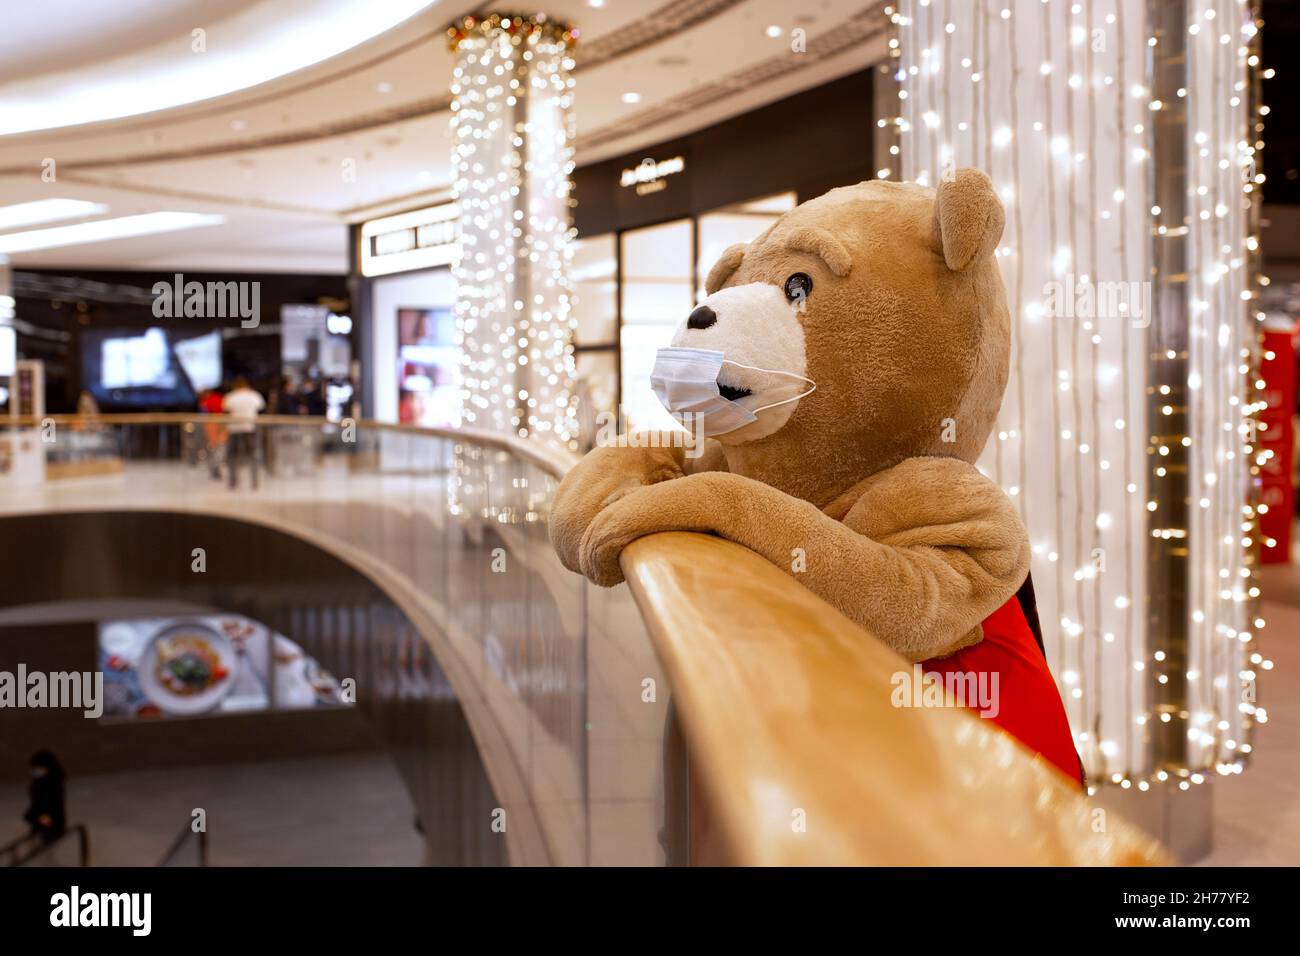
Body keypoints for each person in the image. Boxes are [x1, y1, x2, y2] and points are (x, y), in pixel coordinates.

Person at [222, 377, 265, 489]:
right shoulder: (254, 395)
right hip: (249, 427)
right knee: (253, 454)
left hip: (234, 428)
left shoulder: (231, 396)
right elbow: (261, 407)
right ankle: (254, 482)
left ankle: (233, 481)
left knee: (232, 456)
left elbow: (225, 409)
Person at [23, 750, 66, 844]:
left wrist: (35, 817)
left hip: (50, 822)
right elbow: (37, 803)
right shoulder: (39, 782)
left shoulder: (52, 783)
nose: (34, 771)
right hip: (43, 820)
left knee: (44, 821)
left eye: (37, 768)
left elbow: (50, 807)